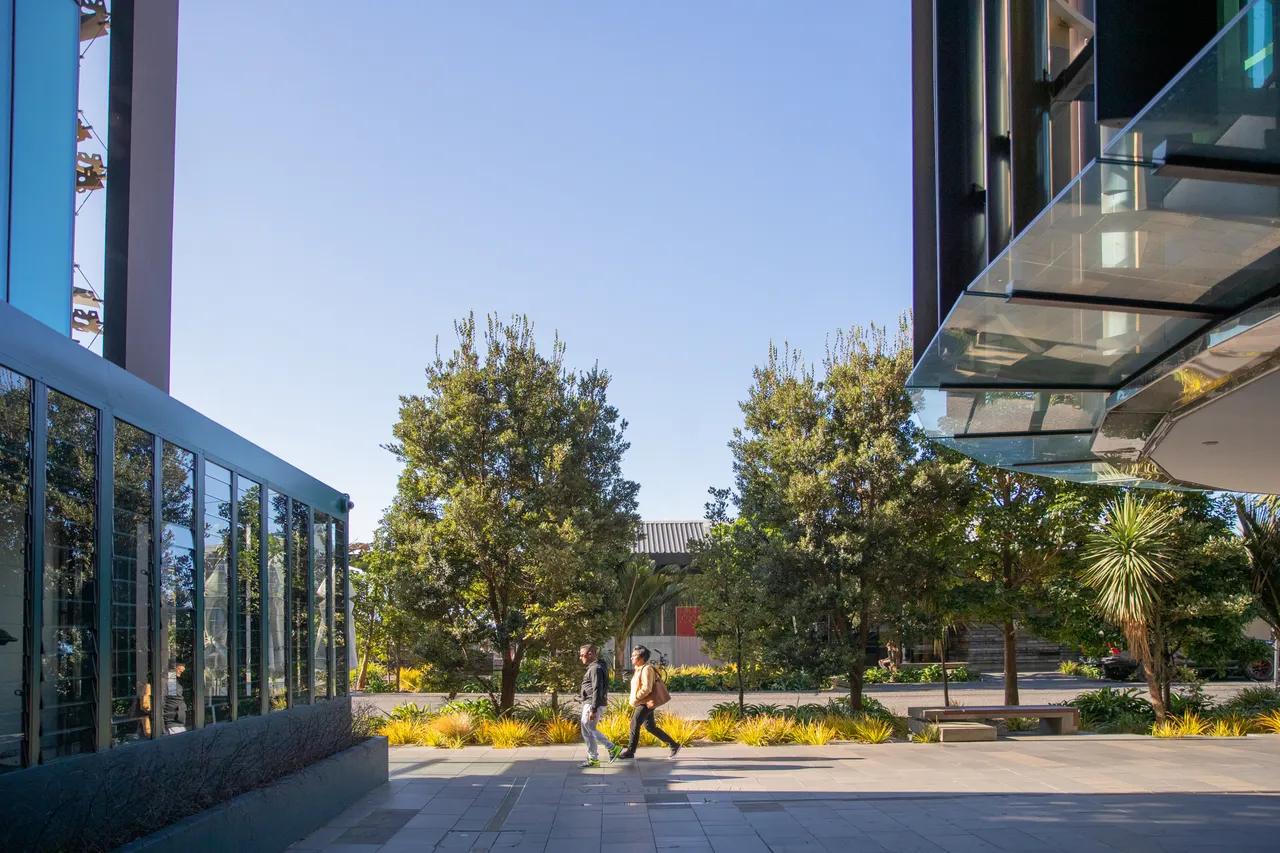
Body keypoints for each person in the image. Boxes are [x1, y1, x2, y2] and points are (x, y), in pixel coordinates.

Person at [617, 645, 679, 760]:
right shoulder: (639, 669)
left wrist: (636, 698)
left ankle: (630, 751)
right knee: (650, 727)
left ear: (642, 657)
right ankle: (674, 745)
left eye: (634, 656)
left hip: (645, 702)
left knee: (634, 724)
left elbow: (647, 688)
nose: (631, 658)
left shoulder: (647, 669)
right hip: (644, 702)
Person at [578, 644, 621, 768]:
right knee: (587, 730)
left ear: (590, 654)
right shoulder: (596, 666)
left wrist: (593, 708)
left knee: (589, 728)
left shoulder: (595, 668)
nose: (581, 658)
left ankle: (612, 748)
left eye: (582, 655)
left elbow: (597, 688)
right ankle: (593, 758)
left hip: (593, 703)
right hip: (591, 702)